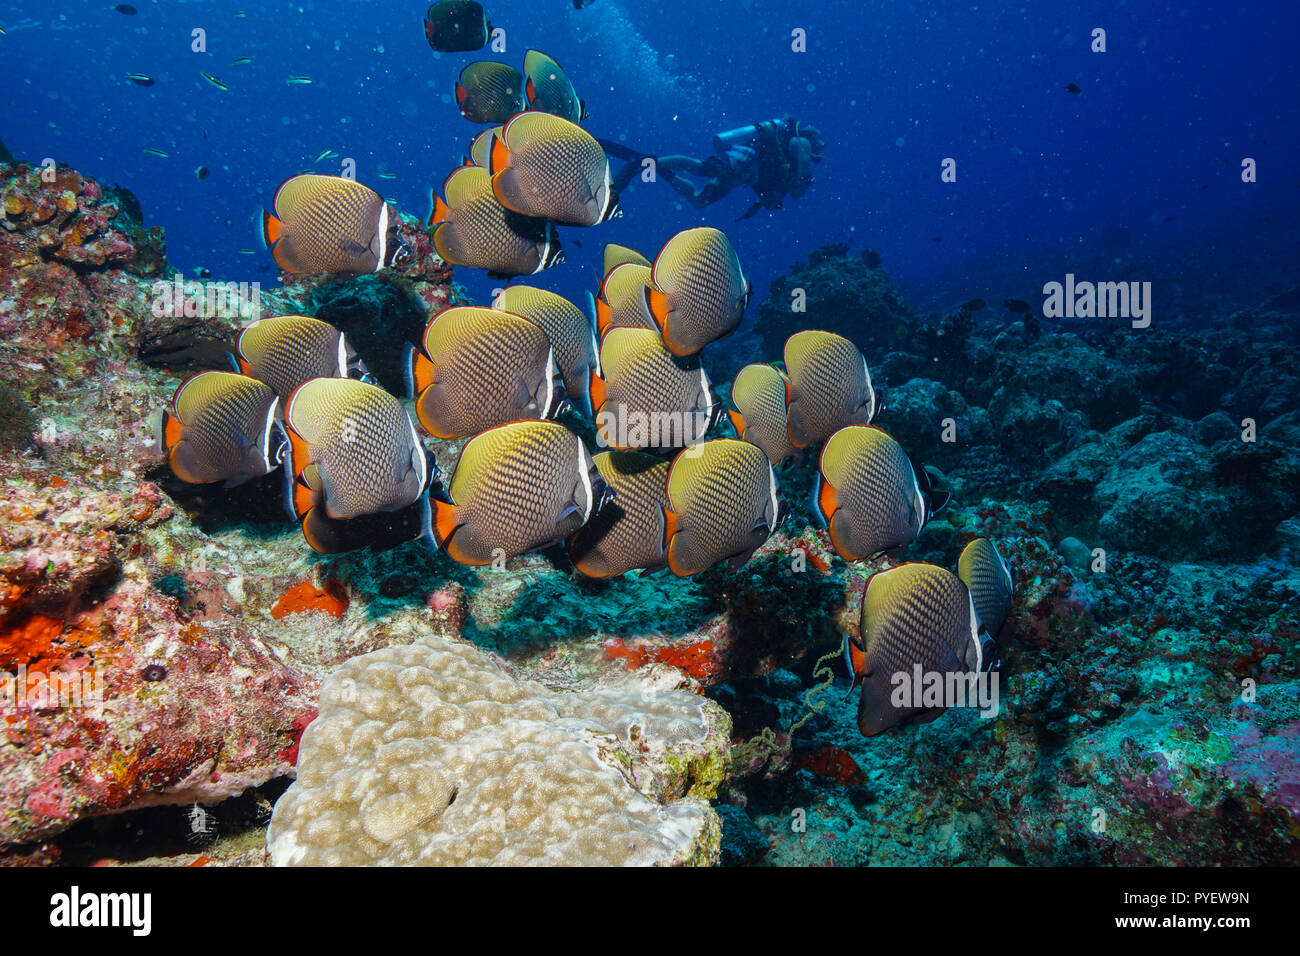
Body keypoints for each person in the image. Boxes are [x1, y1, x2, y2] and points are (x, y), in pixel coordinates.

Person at [606, 115, 825, 220]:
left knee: (700, 199)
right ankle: (648, 163)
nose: (819, 148)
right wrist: (802, 183)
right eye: (819, 142)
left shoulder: (791, 152)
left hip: (745, 171)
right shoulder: (801, 143)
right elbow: (799, 184)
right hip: (747, 160)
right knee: (701, 169)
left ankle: (659, 168)